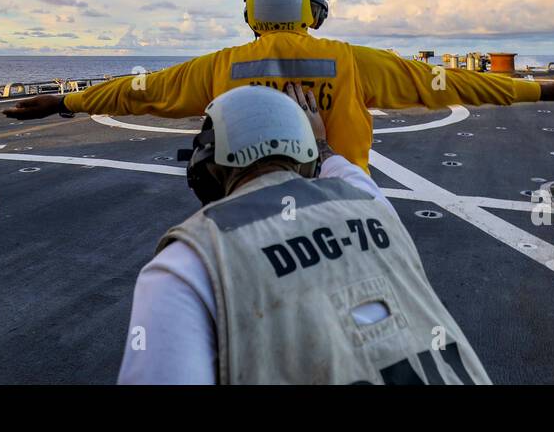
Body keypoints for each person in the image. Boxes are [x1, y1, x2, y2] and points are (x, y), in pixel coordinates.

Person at [3, 0, 554, 171]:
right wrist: (547, 89)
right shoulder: (351, 62)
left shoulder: (220, 69)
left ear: (251, 12)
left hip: (241, 212)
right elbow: (457, 84)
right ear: (312, 9)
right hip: (341, 210)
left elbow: (139, 92)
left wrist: (64, 103)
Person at [117, 83, 491, 384]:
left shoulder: (189, 264)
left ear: (207, 164)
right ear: (309, 156)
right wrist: (322, 142)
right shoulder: (374, 208)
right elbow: (347, 174)